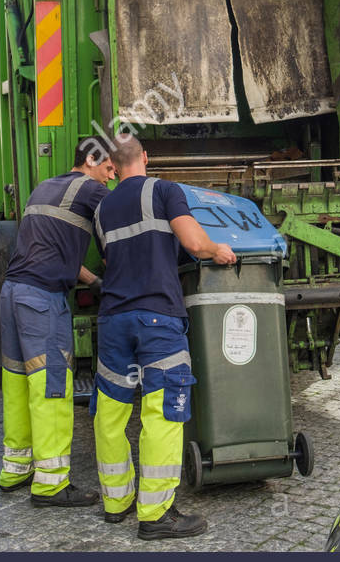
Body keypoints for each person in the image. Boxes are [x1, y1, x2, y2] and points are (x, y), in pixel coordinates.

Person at [91, 136, 236, 540]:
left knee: (111, 413)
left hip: (114, 320)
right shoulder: (164, 190)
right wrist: (216, 250)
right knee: (162, 413)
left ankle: (116, 502)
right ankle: (155, 515)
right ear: (146, 159)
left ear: (114, 167)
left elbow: (112, 259)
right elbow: (192, 241)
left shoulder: (102, 209)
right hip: (157, 318)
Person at [0, 143, 115, 508]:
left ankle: (16, 469)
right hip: (41, 299)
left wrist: (94, 282)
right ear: (91, 160)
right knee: (51, 386)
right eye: (109, 168)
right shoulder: (91, 189)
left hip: (12, 293)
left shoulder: (46, 186)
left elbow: (53, 253)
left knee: (17, 383)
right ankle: (51, 485)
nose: (111, 177)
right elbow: (128, 211)